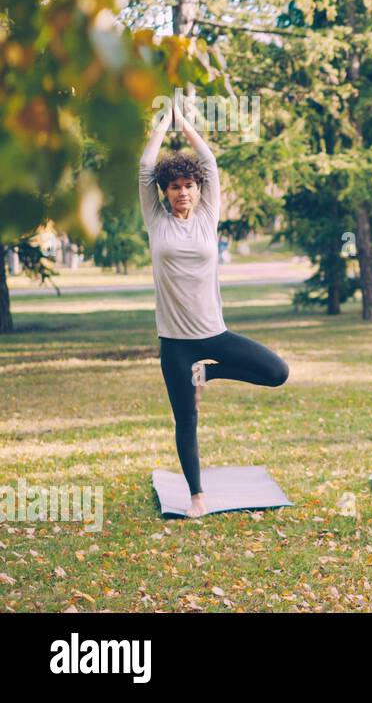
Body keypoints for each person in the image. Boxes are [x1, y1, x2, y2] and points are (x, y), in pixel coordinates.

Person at [140, 100, 290, 518]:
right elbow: (144, 167)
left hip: (214, 334)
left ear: (199, 189)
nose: (183, 192)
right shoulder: (156, 221)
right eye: (175, 186)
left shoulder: (208, 216)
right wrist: (159, 125)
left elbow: (208, 160)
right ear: (165, 192)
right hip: (175, 343)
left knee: (277, 372)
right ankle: (196, 496)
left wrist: (182, 121)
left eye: (189, 185)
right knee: (186, 420)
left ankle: (210, 373)